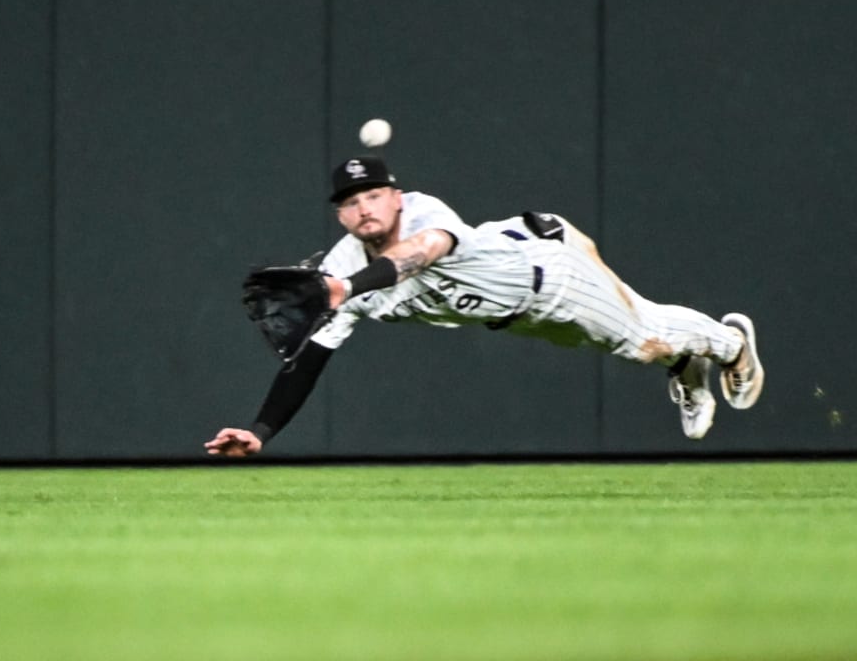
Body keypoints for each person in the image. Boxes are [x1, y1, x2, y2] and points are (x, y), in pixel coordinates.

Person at [204, 156, 764, 456]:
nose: (364, 208)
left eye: (373, 195)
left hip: (550, 274)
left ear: (396, 196)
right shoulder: (344, 263)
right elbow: (309, 358)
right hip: (513, 312)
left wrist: (344, 289)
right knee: (641, 340)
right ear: (340, 216)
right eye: (351, 203)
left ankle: (731, 344)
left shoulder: (424, 215)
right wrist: (261, 430)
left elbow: (419, 254)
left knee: (641, 338)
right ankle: (685, 364)